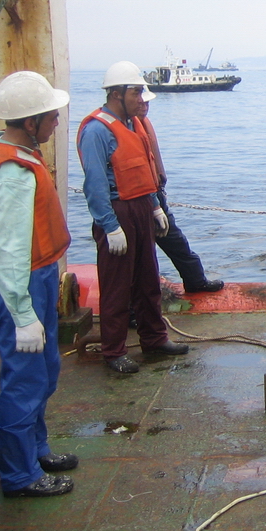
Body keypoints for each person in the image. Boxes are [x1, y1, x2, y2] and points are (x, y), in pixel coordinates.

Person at [0, 71, 76, 497]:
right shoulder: (13, 174)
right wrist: (23, 315)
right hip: (17, 285)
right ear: (30, 123)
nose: (56, 124)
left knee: (44, 370)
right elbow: (7, 252)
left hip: (34, 276)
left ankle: (36, 448)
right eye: (50, 117)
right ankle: (19, 475)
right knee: (24, 379)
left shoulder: (9, 150)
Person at [77, 61, 189, 374]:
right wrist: (109, 226)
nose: (142, 97)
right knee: (116, 287)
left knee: (147, 279)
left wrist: (154, 206)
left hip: (141, 207)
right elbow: (95, 184)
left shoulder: (134, 125)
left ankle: (154, 339)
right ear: (116, 93)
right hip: (118, 211)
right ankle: (114, 351)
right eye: (137, 91)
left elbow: (142, 170)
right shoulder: (97, 131)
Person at [137, 89, 224, 294]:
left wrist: (158, 194)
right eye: (141, 103)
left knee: (175, 240)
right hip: (138, 198)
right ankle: (135, 307)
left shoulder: (141, 125)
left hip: (154, 193)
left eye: (147, 103)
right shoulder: (123, 129)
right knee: (139, 256)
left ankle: (195, 280)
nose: (145, 107)